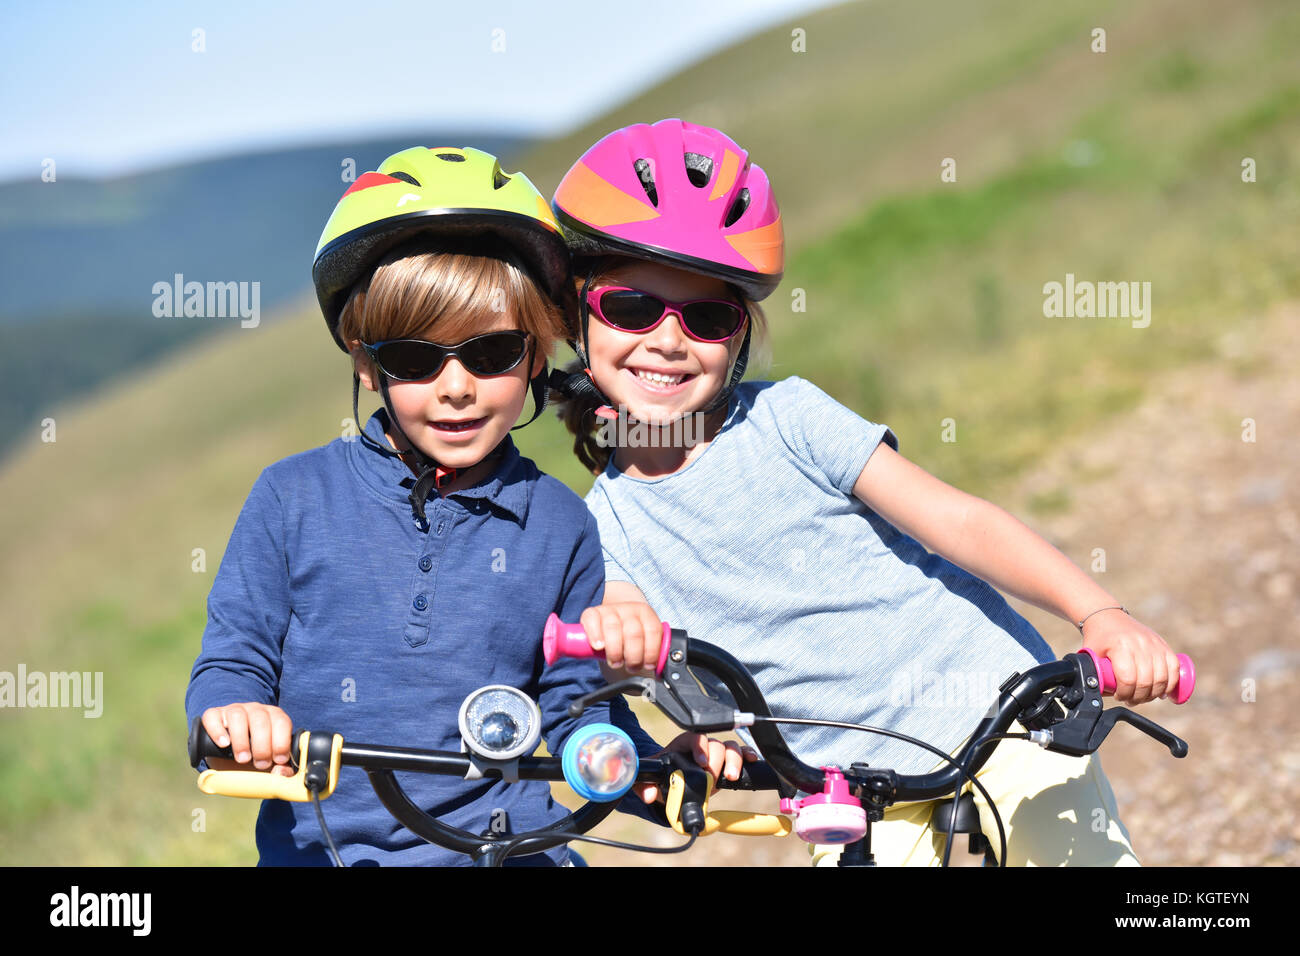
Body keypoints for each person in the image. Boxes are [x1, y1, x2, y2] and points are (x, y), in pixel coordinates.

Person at [551, 119, 1185, 866]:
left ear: (741, 336)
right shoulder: (603, 527)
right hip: (844, 784)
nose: (667, 340)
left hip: (1003, 710)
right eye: (631, 308)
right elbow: (631, 637)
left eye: (708, 317)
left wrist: (1101, 615)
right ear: (576, 319)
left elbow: (957, 522)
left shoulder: (788, 418)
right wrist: (682, 721)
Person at [185, 145, 737, 866]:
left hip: (511, 851)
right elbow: (234, 661)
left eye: (492, 353)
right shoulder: (291, 499)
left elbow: (579, 709)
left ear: (537, 356)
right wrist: (233, 718)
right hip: (326, 852)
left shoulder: (561, 524)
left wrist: (646, 766)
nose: (455, 388)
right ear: (366, 364)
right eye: (416, 359)